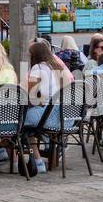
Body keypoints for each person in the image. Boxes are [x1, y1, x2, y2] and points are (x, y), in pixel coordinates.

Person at [22, 41, 71, 173]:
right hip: (66, 117)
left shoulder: (37, 68)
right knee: (32, 118)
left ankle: (37, 162)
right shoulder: (59, 67)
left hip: (49, 117)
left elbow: (31, 95)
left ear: (35, 55)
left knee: (21, 122)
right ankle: (48, 141)